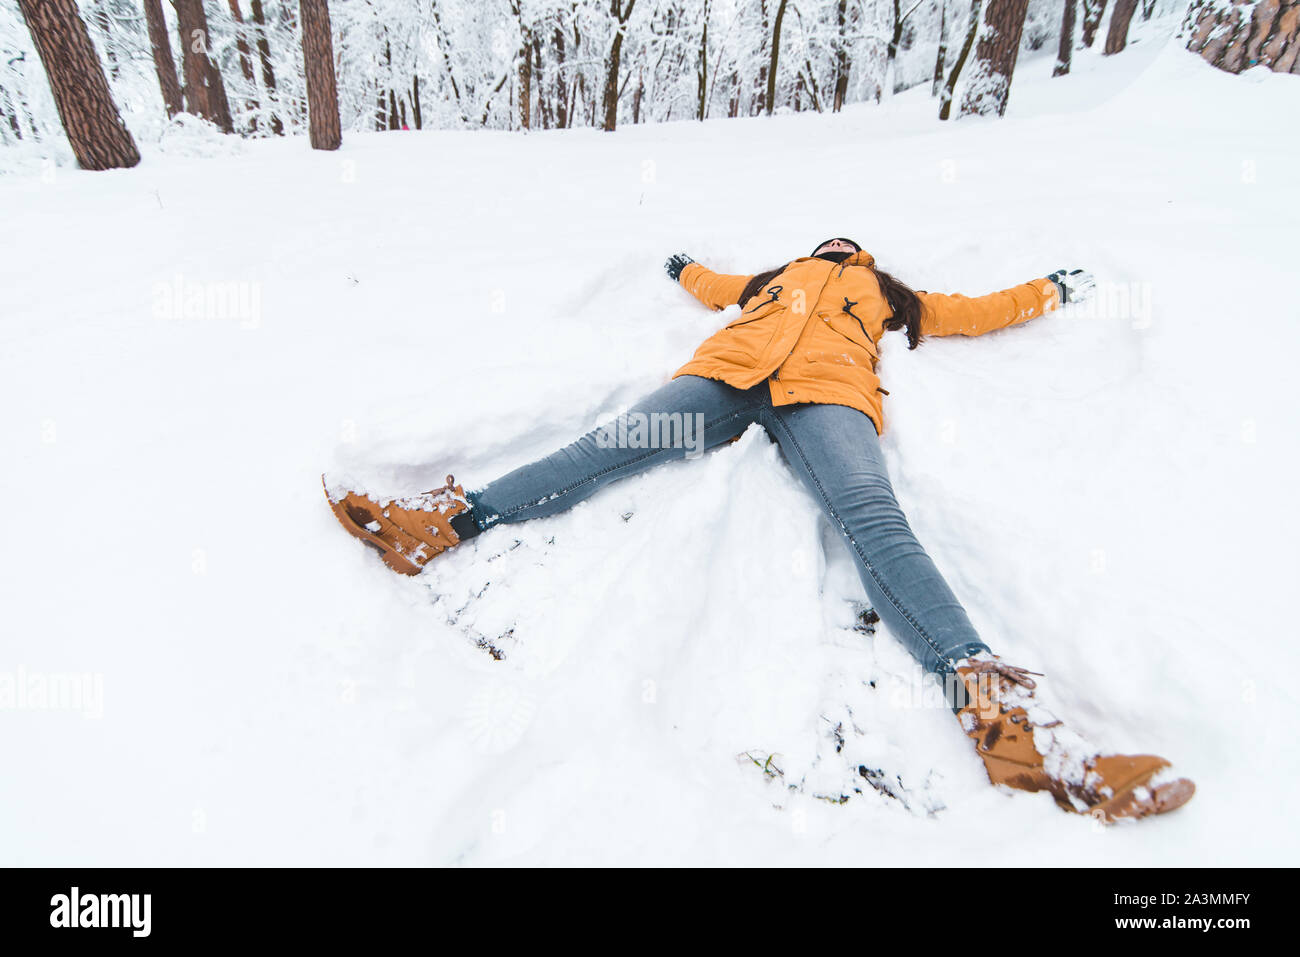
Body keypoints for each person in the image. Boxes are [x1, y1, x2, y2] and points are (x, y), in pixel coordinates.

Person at [325, 237, 1194, 822]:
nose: (840, 251)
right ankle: (438, 525)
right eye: (832, 246)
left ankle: (1014, 732)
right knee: (605, 446)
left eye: (849, 248)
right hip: (725, 378)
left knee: (875, 522)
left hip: (831, 398)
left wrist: (1049, 289)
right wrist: (683, 269)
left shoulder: (888, 295)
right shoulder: (775, 279)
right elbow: (712, 288)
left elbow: (978, 308)